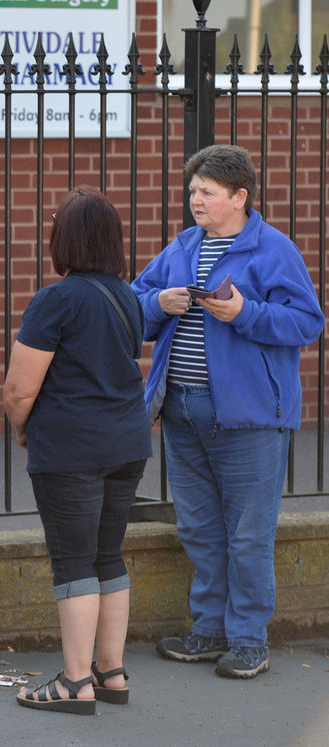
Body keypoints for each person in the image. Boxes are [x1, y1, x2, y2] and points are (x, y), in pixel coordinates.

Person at [131, 144, 323, 679]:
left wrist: (245, 312)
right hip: (181, 410)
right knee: (198, 527)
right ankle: (209, 632)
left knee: (247, 534)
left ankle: (248, 640)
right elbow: (133, 304)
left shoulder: (273, 250)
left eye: (207, 192)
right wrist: (157, 304)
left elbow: (307, 322)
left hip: (250, 416)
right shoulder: (182, 247)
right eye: (193, 190)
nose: (195, 200)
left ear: (239, 197)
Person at [3, 187, 152, 715]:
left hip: (71, 449)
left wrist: (23, 428)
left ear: (63, 237)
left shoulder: (55, 299)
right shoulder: (129, 295)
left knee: (72, 563)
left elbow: (20, 390)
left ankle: (73, 681)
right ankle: (110, 671)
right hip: (127, 442)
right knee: (107, 557)